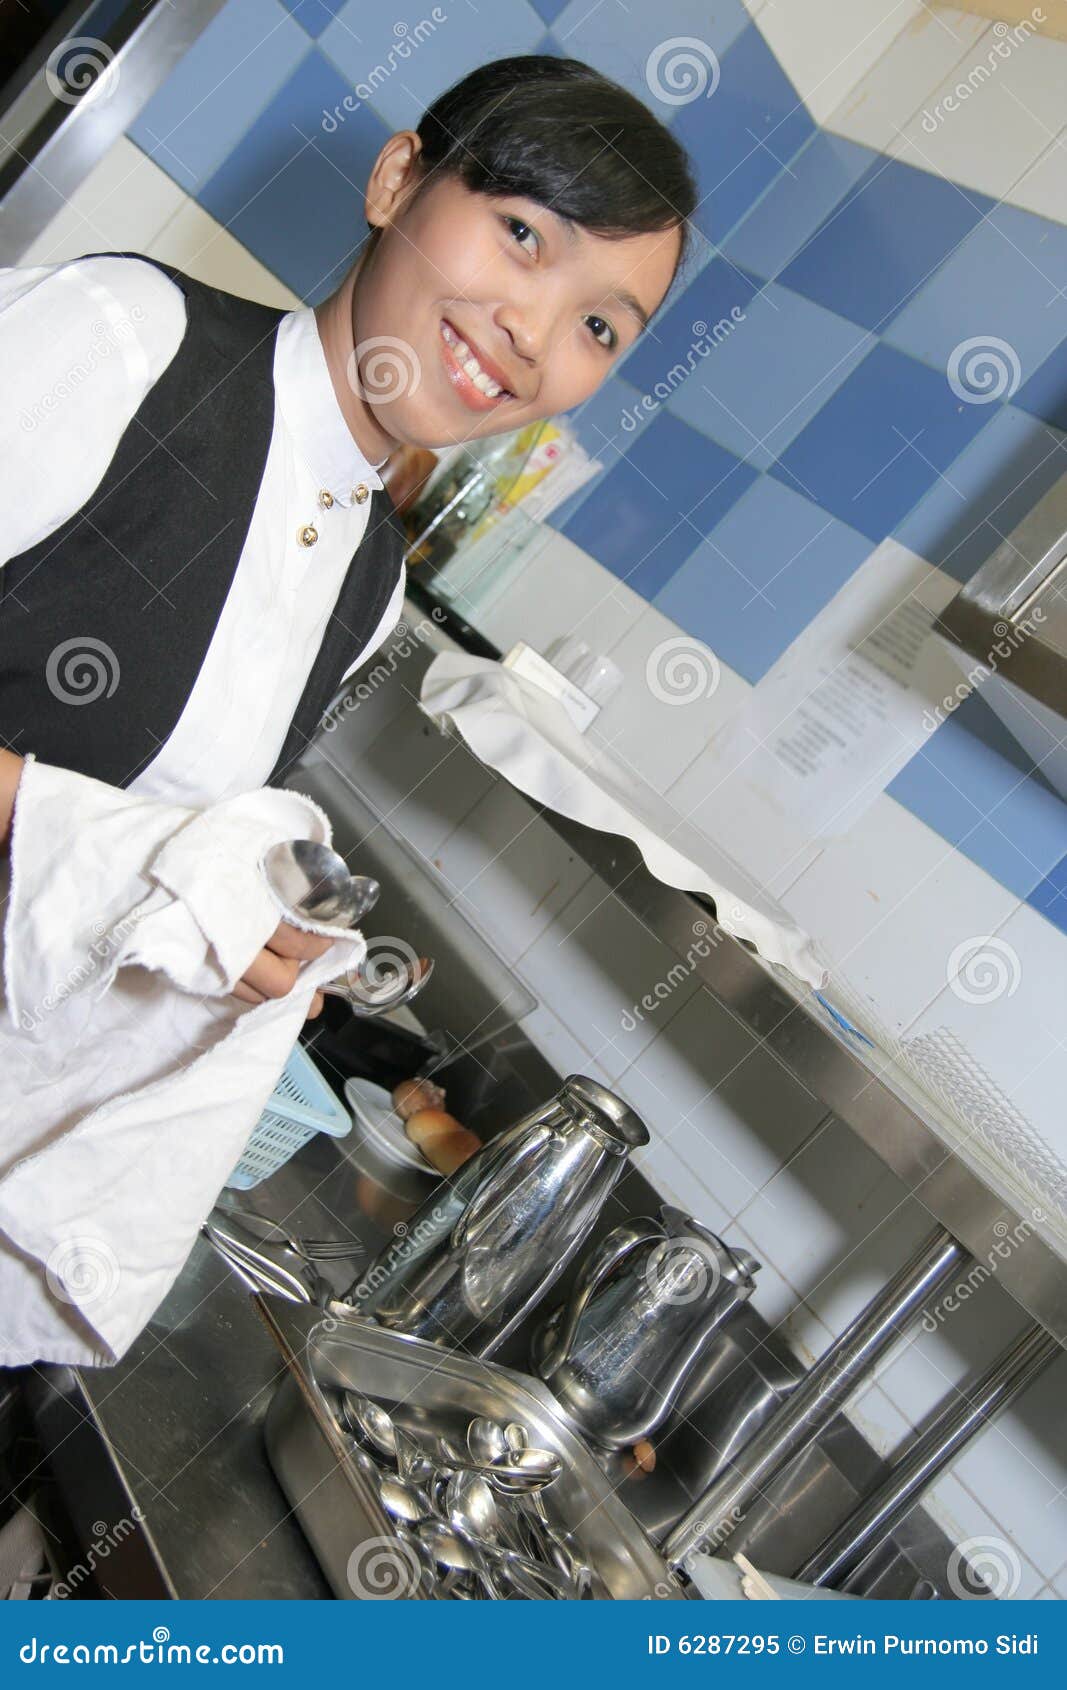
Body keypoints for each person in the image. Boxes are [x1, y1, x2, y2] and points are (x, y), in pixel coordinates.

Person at [0, 53, 696, 1014]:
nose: (534, 335)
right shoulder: (130, 342)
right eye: (523, 234)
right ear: (396, 181)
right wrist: (127, 863)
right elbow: (110, 854)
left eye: (600, 328)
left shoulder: (368, 584)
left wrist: (234, 947)